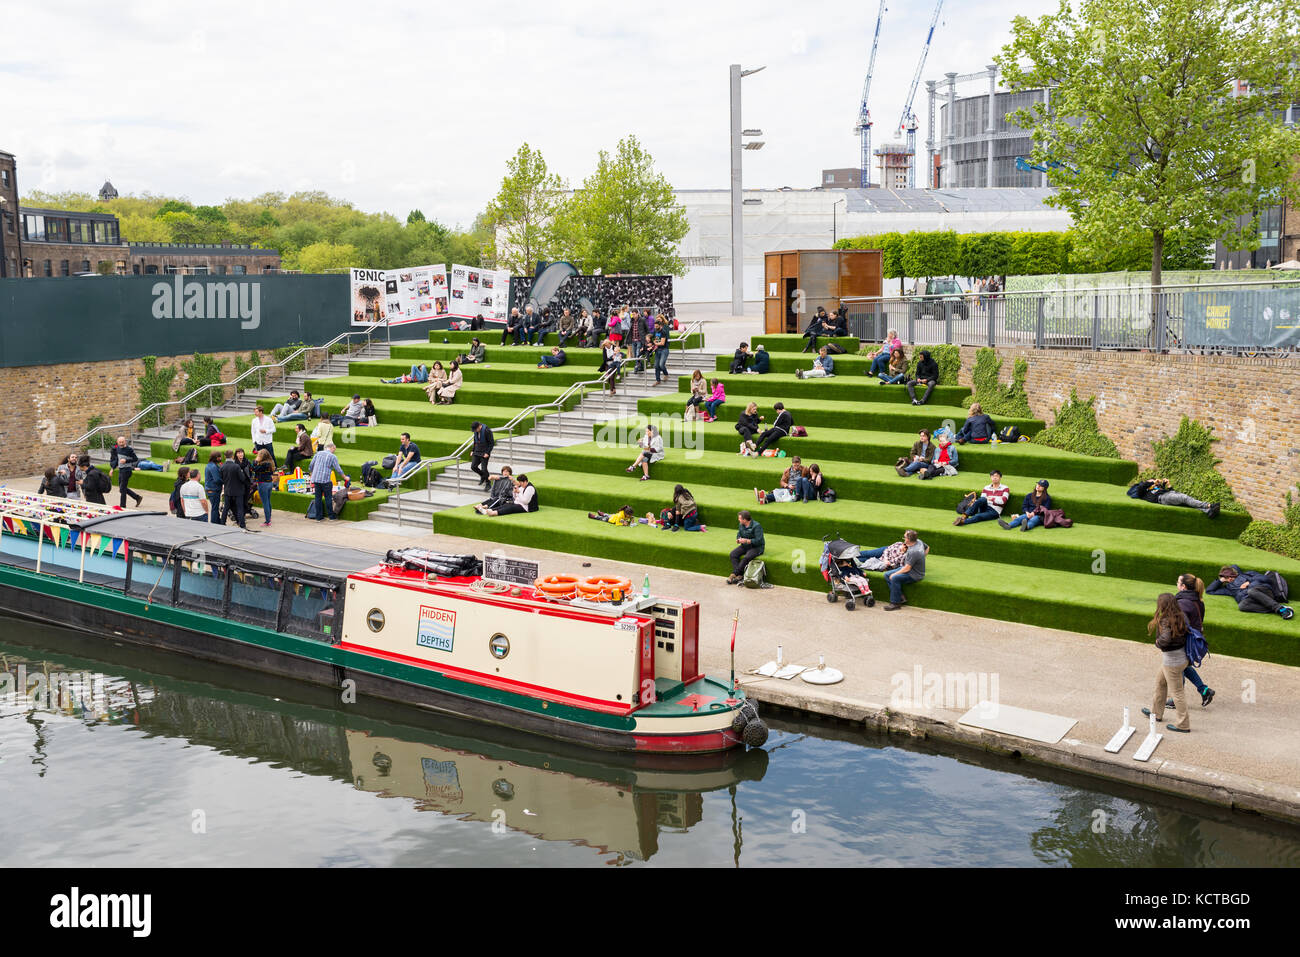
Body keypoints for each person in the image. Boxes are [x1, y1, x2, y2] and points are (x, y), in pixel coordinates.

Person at [1141, 593, 1192, 733]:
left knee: (1177, 693)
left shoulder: (1165, 620)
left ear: (1162, 605)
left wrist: (1158, 643)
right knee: (1160, 683)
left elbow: (1165, 639)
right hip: (1180, 658)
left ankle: (1183, 724)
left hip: (1172, 662)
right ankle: (1156, 714)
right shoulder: (1181, 615)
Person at [1175, 574, 1215, 707]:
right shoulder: (1198, 600)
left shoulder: (1182, 602)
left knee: (1178, 668)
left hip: (1185, 640)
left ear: (1183, 586)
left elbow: (1181, 624)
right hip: (1194, 639)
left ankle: (1177, 700)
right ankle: (1204, 690)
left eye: (1178, 582)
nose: (1176, 583)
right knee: (1184, 666)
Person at [1207, 565, 1294, 618]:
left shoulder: (1248, 574)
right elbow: (1210, 591)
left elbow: (1266, 579)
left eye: (1230, 576)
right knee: (1242, 606)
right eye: (1226, 578)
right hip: (1253, 599)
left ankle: (1281, 609)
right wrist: (1220, 581)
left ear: (1234, 574)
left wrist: (1249, 582)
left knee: (1251, 591)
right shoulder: (1228, 589)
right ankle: (1280, 608)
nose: (1229, 579)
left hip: (1264, 591)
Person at [1127, 477, 1222, 518]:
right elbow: (1140, 488)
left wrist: (1168, 485)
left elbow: (1171, 492)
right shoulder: (1144, 492)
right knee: (1184, 498)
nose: (1154, 481)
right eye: (1151, 480)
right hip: (1162, 498)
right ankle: (1209, 505)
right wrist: (1151, 482)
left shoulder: (1156, 488)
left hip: (1168, 495)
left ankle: (1209, 512)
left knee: (1187, 502)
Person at [883, 530, 928, 610]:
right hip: (908, 568)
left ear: (908, 539)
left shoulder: (913, 552)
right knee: (886, 575)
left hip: (915, 574)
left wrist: (895, 574)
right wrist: (922, 558)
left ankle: (895, 603)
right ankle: (900, 596)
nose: (904, 539)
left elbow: (907, 568)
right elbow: (927, 548)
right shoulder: (919, 542)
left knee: (894, 578)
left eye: (904, 537)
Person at [727, 511, 765, 584]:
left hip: (756, 547)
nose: (738, 520)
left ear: (745, 520)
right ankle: (740, 575)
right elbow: (739, 533)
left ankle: (734, 574)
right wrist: (738, 539)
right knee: (733, 554)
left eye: (740, 518)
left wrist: (747, 541)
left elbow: (759, 540)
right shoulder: (741, 525)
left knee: (746, 558)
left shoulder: (757, 526)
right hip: (745, 545)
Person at [309, 443, 342, 521]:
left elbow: (311, 465)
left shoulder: (318, 453)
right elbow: (338, 469)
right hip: (325, 480)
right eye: (334, 449)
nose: (334, 451)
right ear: (332, 448)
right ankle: (331, 516)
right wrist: (344, 477)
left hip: (316, 479)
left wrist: (312, 473)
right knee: (328, 498)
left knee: (318, 498)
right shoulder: (332, 456)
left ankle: (318, 517)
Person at [220, 448, 250, 529]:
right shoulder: (236, 466)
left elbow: (222, 479)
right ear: (232, 456)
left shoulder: (222, 467)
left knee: (226, 508)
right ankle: (242, 525)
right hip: (238, 491)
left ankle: (222, 523)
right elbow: (242, 478)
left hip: (227, 491)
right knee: (240, 508)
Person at [109, 436, 143, 508]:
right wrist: (112, 469)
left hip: (127, 470)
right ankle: (137, 497)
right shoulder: (117, 449)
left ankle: (122, 506)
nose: (121, 443)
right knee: (122, 489)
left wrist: (126, 460)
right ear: (117, 442)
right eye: (119, 442)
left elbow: (135, 459)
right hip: (121, 470)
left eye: (122, 442)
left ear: (125, 442)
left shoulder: (129, 449)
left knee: (123, 489)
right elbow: (117, 460)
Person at [253, 449, 275, 526]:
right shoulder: (270, 463)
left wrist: (255, 461)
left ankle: (267, 521)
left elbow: (254, 469)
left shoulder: (262, 465)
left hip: (263, 484)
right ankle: (269, 517)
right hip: (269, 483)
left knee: (265, 503)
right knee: (268, 501)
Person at [470, 421, 495, 489]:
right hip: (477, 451)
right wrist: (472, 450)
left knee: (484, 469)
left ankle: (488, 483)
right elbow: (475, 442)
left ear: (479, 427)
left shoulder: (487, 431)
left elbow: (491, 443)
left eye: (475, 429)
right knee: (473, 467)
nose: (475, 431)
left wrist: (487, 453)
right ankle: (483, 476)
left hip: (484, 452)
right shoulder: (476, 431)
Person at [204, 451, 224, 523]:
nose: (220, 458)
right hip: (213, 490)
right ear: (216, 458)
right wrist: (225, 481)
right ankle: (214, 523)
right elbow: (217, 479)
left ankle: (218, 521)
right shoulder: (213, 467)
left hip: (210, 489)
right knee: (215, 509)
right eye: (219, 457)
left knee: (215, 507)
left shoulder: (210, 465)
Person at [653, 318, 671, 385]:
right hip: (657, 350)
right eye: (655, 326)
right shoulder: (655, 331)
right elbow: (654, 339)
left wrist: (655, 343)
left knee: (661, 364)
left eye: (657, 326)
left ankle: (666, 374)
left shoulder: (663, 332)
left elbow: (662, 343)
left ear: (660, 325)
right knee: (656, 365)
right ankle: (658, 380)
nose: (656, 328)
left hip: (664, 350)